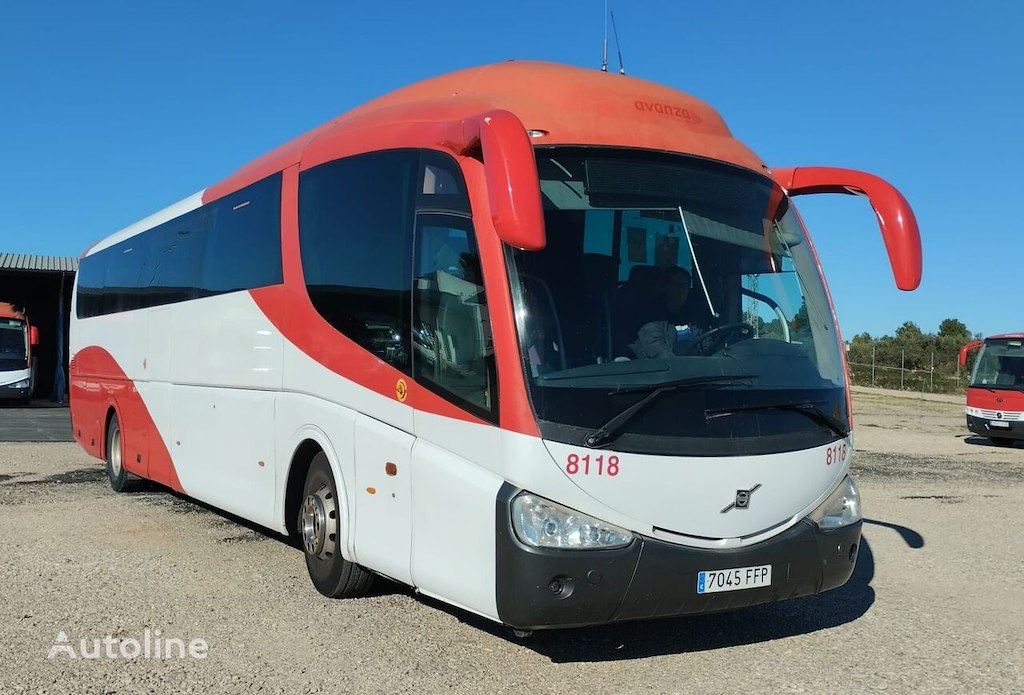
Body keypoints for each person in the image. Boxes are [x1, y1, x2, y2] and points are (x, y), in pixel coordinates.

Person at [628, 266, 700, 359]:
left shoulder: (693, 317)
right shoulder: (649, 318)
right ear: (664, 287)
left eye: (684, 286)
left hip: (695, 370)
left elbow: (706, 344)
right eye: (676, 285)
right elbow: (659, 352)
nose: (680, 290)